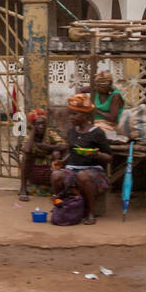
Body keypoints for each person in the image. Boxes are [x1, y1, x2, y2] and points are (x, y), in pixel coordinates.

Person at [52, 93, 112, 225]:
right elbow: (71, 152)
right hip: (73, 168)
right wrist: (62, 162)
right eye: (70, 114)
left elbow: (108, 157)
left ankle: (90, 212)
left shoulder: (97, 133)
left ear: (85, 116)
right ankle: (60, 205)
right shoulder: (72, 131)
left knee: (83, 176)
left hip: (94, 171)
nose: (70, 117)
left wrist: (96, 155)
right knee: (56, 175)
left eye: (74, 114)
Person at [17, 109, 64, 201]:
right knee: (25, 157)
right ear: (33, 125)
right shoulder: (30, 136)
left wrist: (46, 147)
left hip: (48, 161)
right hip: (33, 164)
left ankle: (56, 189)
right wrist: (33, 131)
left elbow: (63, 146)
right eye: (38, 124)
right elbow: (26, 150)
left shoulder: (50, 133)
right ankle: (23, 188)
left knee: (57, 153)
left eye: (43, 124)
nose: (41, 126)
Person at [79, 70, 125, 136]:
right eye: (98, 88)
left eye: (102, 89)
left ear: (109, 85)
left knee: (92, 133)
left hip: (109, 125)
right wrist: (84, 103)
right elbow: (81, 90)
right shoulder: (96, 89)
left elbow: (113, 118)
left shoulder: (115, 95)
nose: (99, 90)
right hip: (93, 122)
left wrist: (97, 111)